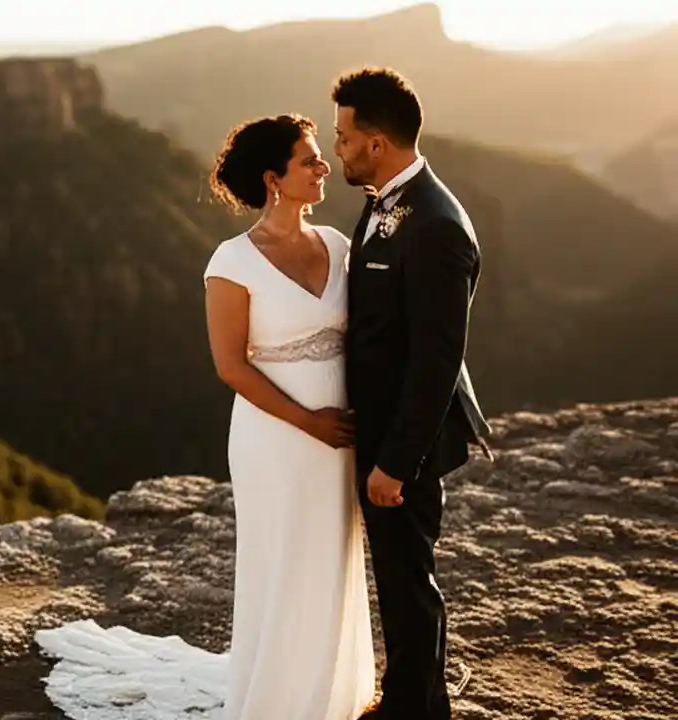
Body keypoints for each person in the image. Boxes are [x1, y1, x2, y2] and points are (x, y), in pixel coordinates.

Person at [34, 112, 378, 719]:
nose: (324, 167)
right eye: (309, 159)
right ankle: (277, 699)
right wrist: (310, 422)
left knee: (331, 556)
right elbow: (231, 366)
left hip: (340, 433)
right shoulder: (233, 262)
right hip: (277, 437)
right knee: (282, 561)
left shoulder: (337, 245)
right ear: (274, 178)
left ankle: (330, 691)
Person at [332, 67, 492, 720]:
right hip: (377, 426)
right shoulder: (386, 198)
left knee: (407, 582)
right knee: (398, 578)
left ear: (375, 142)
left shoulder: (434, 225)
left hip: (405, 439)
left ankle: (414, 713)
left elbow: (436, 360)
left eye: (343, 137)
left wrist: (396, 462)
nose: (336, 148)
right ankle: (417, 701)